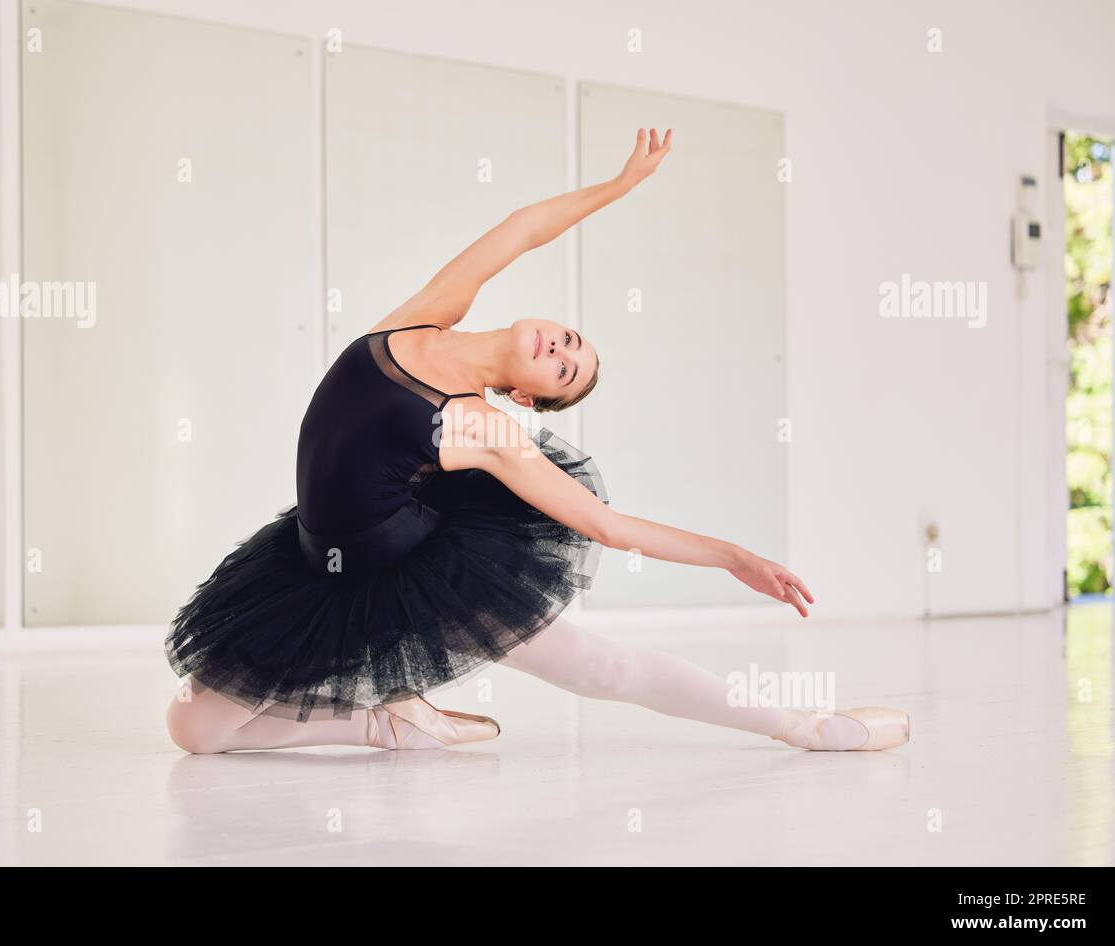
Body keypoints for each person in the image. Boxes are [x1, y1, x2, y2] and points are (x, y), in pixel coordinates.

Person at [164, 128, 910, 754]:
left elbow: (605, 525)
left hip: (408, 573)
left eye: (566, 368)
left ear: (525, 398)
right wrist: (620, 185)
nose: (561, 348)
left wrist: (735, 556)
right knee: (194, 728)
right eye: (571, 341)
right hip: (310, 557)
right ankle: (391, 721)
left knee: (600, 668)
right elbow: (521, 230)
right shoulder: (424, 316)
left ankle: (807, 726)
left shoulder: (479, 425)